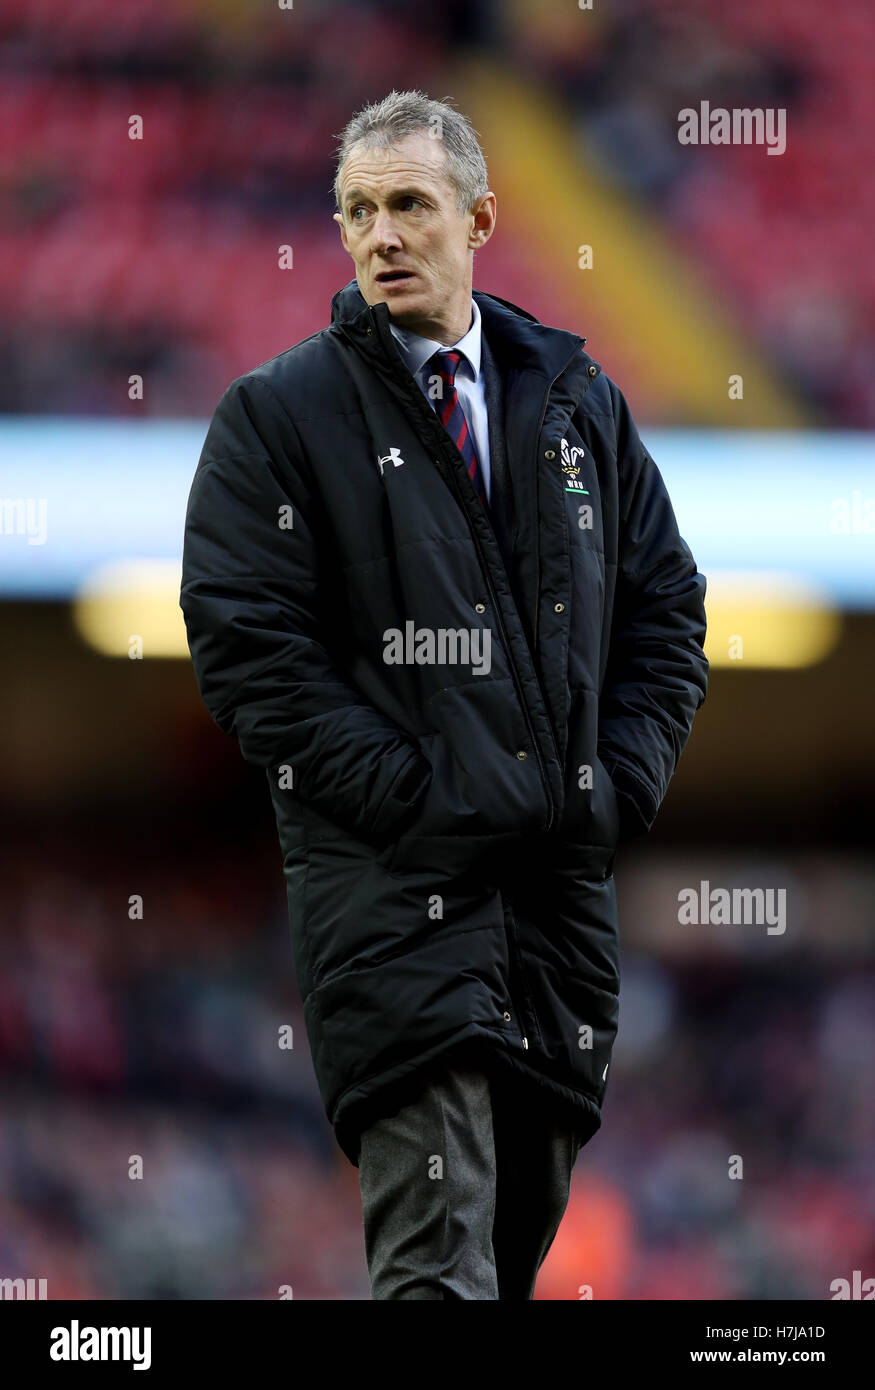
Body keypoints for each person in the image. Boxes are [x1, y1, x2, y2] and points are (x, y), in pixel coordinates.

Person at [180, 89, 709, 1300]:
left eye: (408, 205)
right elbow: (246, 646)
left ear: (479, 217)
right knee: (437, 1268)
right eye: (355, 211)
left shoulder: (579, 406)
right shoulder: (277, 418)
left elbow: (666, 613)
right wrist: (419, 799)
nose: (379, 235)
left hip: (554, 925)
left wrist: (608, 785)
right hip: (392, 912)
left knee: (502, 1257)